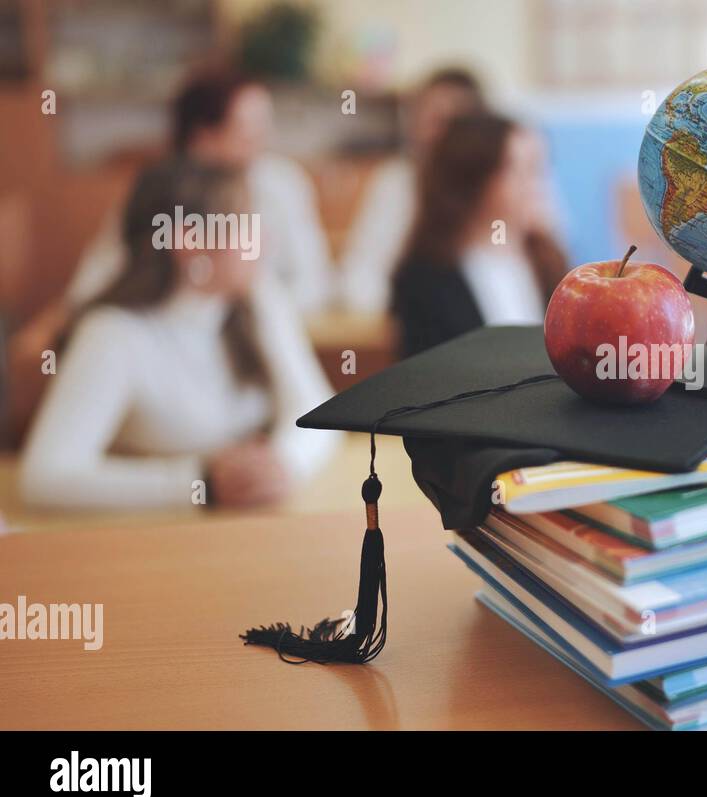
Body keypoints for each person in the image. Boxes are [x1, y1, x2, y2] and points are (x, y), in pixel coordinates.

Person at [19, 159, 340, 510]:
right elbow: (44, 479)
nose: (265, 239)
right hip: (158, 541)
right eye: (246, 224)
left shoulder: (258, 299)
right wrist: (200, 484)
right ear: (189, 240)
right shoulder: (112, 335)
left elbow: (317, 409)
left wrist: (285, 464)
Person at [67, 66, 335, 313]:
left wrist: (252, 307)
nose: (263, 142)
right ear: (202, 138)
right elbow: (88, 289)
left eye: (265, 128)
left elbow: (314, 281)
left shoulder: (281, 185)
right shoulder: (158, 198)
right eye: (248, 132)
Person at [390, 112, 568, 358]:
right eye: (525, 170)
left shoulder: (549, 262)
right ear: (477, 180)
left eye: (540, 169)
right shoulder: (425, 279)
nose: (539, 186)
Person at [338, 68, 487, 313]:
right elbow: (358, 276)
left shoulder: (496, 187)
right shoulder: (396, 183)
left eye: (443, 121)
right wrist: (412, 310)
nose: (430, 132)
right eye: (422, 118)